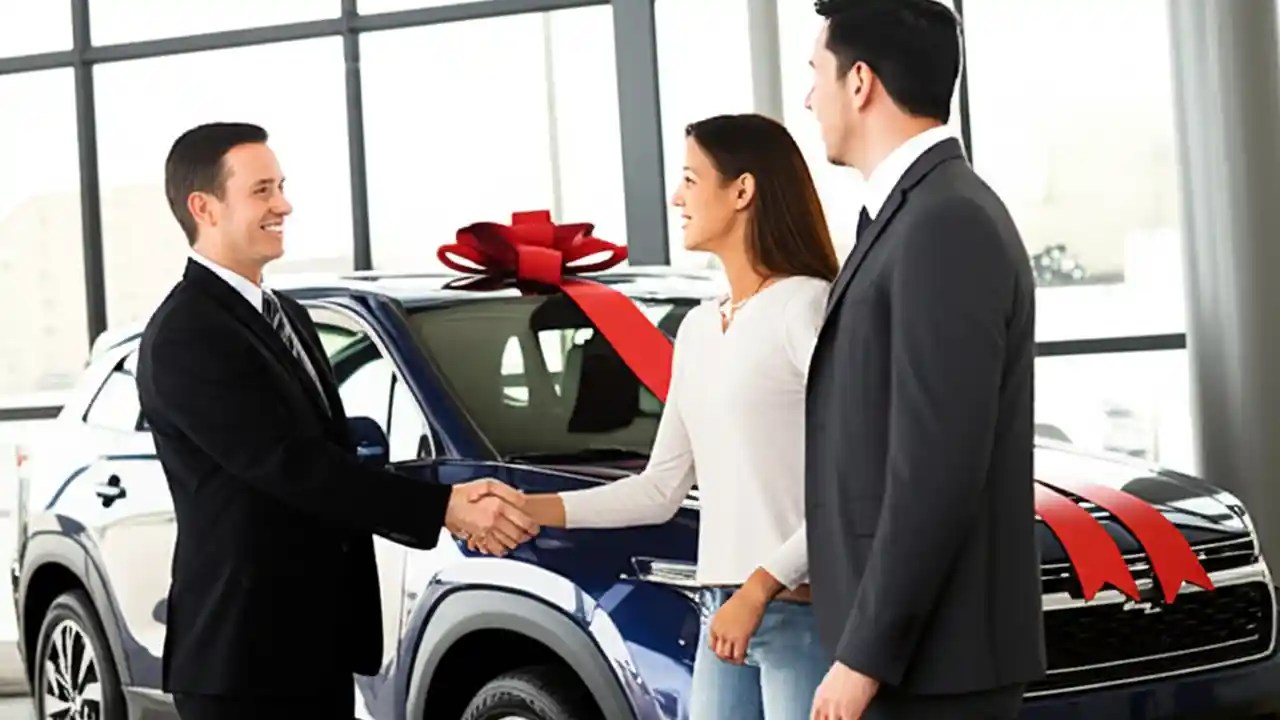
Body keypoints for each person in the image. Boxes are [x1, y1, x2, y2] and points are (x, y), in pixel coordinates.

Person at [135, 122, 537, 720]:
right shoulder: (188, 333)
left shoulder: (287, 315)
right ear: (204, 208)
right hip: (245, 656)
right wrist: (443, 508)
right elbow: (293, 467)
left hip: (310, 643)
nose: (283, 204)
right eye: (262, 191)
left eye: (282, 187)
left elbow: (333, 457)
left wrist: (439, 492)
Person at [471, 113, 839, 719]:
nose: (676, 197)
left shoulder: (807, 305)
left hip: (795, 610)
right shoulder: (697, 328)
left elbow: (853, 481)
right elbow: (659, 490)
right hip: (721, 612)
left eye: (691, 180)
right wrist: (523, 507)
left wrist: (760, 586)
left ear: (742, 191)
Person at [801, 1, 1045, 719]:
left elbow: (935, 468)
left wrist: (863, 657)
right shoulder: (913, 215)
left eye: (816, 73)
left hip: (934, 667)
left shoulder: (946, 222)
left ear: (861, 83)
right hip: (915, 658)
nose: (809, 97)